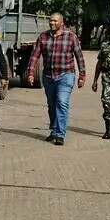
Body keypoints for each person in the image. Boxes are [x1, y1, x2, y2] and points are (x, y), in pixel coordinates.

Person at [26, 13, 86, 145]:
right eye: (50, 21)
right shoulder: (43, 36)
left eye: (55, 21)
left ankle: (60, 134)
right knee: (52, 105)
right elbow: (35, 55)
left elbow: (79, 57)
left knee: (62, 102)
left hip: (66, 75)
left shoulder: (71, 37)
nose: (52, 23)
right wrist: (30, 72)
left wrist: (82, 76)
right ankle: (54, 130)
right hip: (48, 76)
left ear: (61, 23)